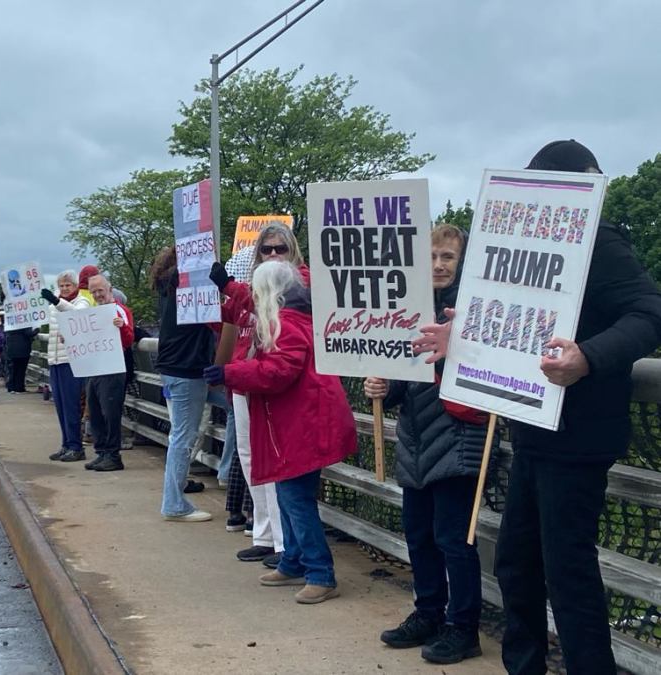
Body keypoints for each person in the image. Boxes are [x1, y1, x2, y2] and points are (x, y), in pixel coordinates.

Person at [412, 140, 661, 674]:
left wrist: (588, 358)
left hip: (578, 435)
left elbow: (649, 313)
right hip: (530, 428)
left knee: (566, 571)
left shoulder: (601, 243)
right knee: (516, 564)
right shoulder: (518, 239)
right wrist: (460, 334)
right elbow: (507, 321)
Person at [365, 224, 489, 664]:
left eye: (448, 257)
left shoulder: (476, 313)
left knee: (454, 539)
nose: (439, 264)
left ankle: (463, 627)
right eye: (432, 256)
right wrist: (383, 388)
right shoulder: (406, 310)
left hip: (459, 439)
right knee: (419, 535)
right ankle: (429, 613)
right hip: (416, 440)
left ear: (461, 263)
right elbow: (404, 381)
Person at [203, 261, 357, 604]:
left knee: (295, 498)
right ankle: (295, 561)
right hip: (301, 420)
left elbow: (278, 371)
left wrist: (231, 373)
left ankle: (320, 572)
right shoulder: (291, 319)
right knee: (290, 496)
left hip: (302, 423)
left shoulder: (284, 325)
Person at [209, 223, 308, 565]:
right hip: (245, 374)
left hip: (273, 381)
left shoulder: (300, 280)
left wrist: (230, 288)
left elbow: (265, 299)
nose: (274, 255)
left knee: (277, 460)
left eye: (281, 249)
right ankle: (264, 533)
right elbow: (229, 319)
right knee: (250, 456)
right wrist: (205, 293)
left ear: (292, 250)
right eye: (267, 250)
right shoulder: (251, 284)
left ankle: (285, 545)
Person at [150, 246, 217, 522]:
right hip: (188, 371)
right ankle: (174, 503)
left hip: (176, 369)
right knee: (182, 437)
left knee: (180, 434)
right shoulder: (183, 287)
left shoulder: (167, 292)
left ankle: (224, 473)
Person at [83, 274, 134, 471]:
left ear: (109, 290)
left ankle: (113, 454)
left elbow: (129, 340)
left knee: (110, 412)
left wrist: (122, 328)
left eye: (100, 291)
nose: (97, 295)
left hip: (113, 367)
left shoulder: (119, 310)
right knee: (95, 411)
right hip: (96, 367)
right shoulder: (95, 312)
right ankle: (102, 451)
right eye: (94, 292)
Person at [41, 271, 92, 462]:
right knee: (60, 405)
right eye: (61, 285)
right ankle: (66, 443)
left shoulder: (81, 301)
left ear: (75, 286)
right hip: (55, 358)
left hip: (71, 360)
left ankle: (76, 446)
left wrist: (56, 301)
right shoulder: (56, 303)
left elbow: (77, 315)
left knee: (71, 405)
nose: (64, 289)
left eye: (68, 285)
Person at [4, 325, 39, 393]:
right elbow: (29, 333)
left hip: (11, 348)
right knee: (21, 370)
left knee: (13, 369)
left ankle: (11, 387)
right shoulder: (24, 324)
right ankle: (19, 387)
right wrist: (37, 330)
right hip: (23, 349)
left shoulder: (11, 324)